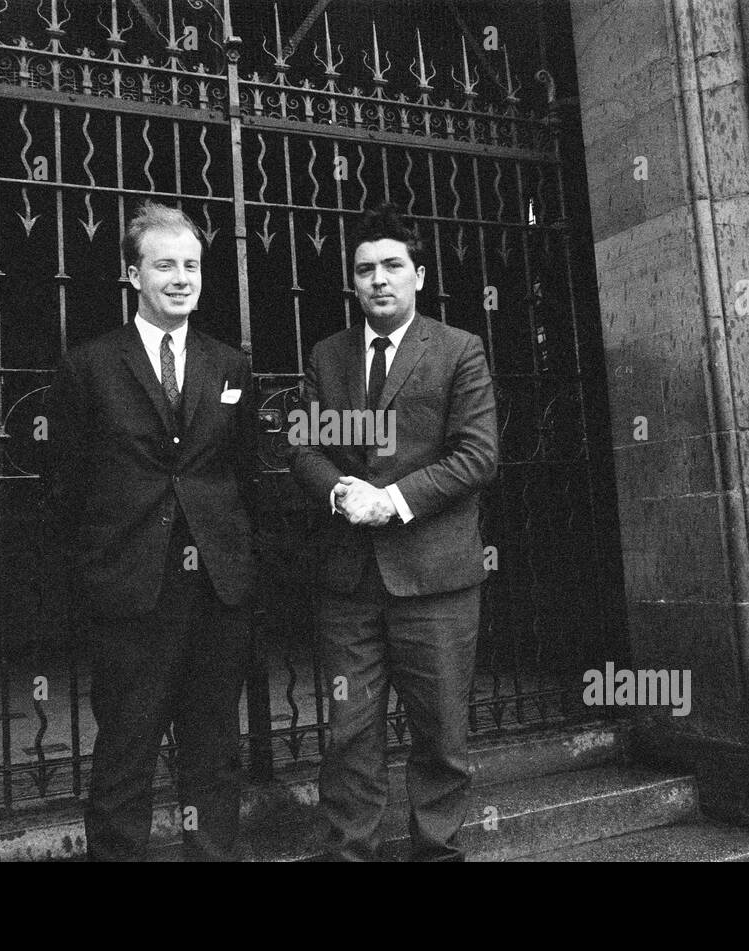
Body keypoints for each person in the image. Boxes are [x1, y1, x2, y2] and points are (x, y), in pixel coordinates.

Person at [43, 200, 258, 861]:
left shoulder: (230, 366)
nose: (181, 276)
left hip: (217, 590)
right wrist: (91, 574)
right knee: (125, 752)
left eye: (191, 264)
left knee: (215, 750)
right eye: (164, 263)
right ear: (132, 274)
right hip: (131, 590)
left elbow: (248, 477)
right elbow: (62, 489)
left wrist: (248, 569)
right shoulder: (89, 366)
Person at [290, 203, 499, 861]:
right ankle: (350, 851)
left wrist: (394, 500)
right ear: (353, 281)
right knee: (348, 732)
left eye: (391, 266)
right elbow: (305, 444)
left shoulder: (458, 350)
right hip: (349, 580)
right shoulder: (329, 355)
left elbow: (477, 454)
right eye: (365, 269)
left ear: (417, 274)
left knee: (440, 732)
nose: (378, 279)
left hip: (435, 577)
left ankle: (437, 850)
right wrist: (338, 488)